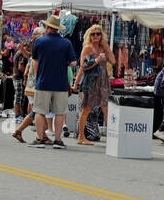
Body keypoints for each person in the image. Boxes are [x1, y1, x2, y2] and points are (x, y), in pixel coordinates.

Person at [30, 16, 75, 149]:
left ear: (48, 27)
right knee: (59, 112)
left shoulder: (39, 41)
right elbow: (73, 62)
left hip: (43, 81)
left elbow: (35, 61)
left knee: (39, 111)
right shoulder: (66, 43)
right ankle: (57, 140)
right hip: (60, 83)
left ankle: (39, 138)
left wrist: (38, 77)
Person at [71, 24, 114, 145]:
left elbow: (113, 60)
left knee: (106, 108)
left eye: (98, 34)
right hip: (91, 82)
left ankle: (111, 137)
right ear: (89, 35)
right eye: (93, 34)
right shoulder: (87, 48)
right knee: (86, 109)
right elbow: (83, 67)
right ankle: (81, 136)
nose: (96, 36)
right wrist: (96, 60)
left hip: (103, 82)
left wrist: (106, 46)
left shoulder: (103, 48)